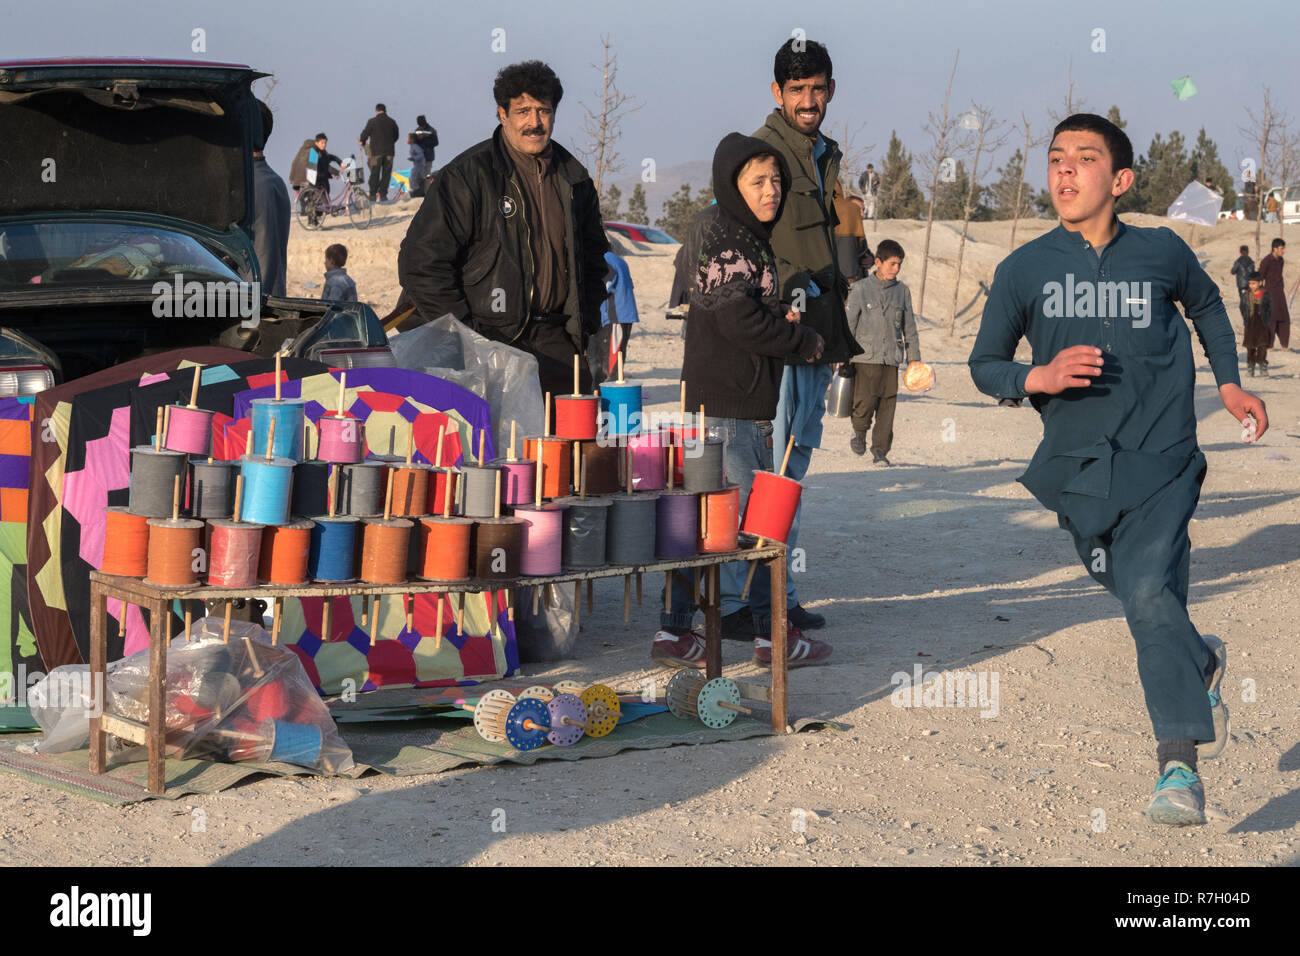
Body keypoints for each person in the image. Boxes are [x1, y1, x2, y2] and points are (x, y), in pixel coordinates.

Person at [968, 112, 1269, 827]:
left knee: (1144, 591)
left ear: (1120, 179)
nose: (1065, 171)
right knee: (1133, 592)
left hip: (1163, 458)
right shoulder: (1025, 269)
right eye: (1055, 159)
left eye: (1084, 158)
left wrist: (1228, 384)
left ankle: (1177, 767)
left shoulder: (1162, 252)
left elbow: (1208, 307)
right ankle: (1198, 663)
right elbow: (984, 365)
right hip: (1077, 474)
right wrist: (1034, 378)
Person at [651, 132, 826, 670]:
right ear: (733, 185)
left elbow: (738, 311)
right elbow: (737, 319)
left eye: (776, 180)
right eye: (758, 181)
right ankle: (773, 638)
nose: (771, 190)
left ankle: (677, 633)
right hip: (731, 407)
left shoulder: (743, 236)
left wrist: (778, 318)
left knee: (705, 519)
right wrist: (802, 342)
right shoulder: (730, 239)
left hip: (729, 401)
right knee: (756, 524)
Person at [397, 60, 609, 398]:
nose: (534, 122)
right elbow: (420, 264)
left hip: (556, 345)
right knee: (494, 448)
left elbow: (595, 260)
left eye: (543, 110)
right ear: (502, 114)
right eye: (523, 110)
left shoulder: (575, 179)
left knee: (563, 445)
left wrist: (581, 329)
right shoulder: (468, 176)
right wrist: (467, 335)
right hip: (487, 342)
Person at [751, 37, 863, 643]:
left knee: (793, 466)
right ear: (777, 93)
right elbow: (745, 239)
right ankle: (764, 600)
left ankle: (779, 596)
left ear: (831, 90)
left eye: (817, 88)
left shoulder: (825, 155)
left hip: (820, 328)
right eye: (797, 90)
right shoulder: (764, 154)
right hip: (782, 333)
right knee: (773, 468)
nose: (808, 100)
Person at [844, 238, 920, 464]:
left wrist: (914, 359)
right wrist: (844, 356)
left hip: (891, 359)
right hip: (865, 357)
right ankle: (859, 432)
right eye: (892, 264)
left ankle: (880, 451)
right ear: (878, 262)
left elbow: (910, 327)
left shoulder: (902, 292)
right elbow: (849, 325)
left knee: (888, 406)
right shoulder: (860, 289)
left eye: (899, 265)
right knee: (864, 402)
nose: (896, 269)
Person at [250, 100, 289, 298]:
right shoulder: (275, 182)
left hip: (252, 306)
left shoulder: (250, 185)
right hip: (271, 300)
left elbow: (261, 255)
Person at [589, 250, 637, 386]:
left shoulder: (605, 261)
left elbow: (605, 286)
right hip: (623, 313)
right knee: (616, 353)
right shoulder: (617, 259)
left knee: (610, 358)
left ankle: (608, 390)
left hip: (615, 315)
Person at [359, 104, 400, 203]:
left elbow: (365, 133)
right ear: (385, 110)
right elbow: (396, 136)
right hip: (389, 152)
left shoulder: (372, 121)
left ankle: (373, 195)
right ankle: (383, 195)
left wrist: (362, 141)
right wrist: (390, 143)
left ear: (376, 111)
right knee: (386, 173)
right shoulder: (392, 122)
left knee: (375, 173)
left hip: (376, 152)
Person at [832, 187, 869, 284]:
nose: (861, 214)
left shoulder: (857, 230)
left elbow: (864, 251)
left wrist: (870, 258)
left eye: (863, 210)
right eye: (856, 209)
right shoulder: (838, 229)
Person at [1258, 238, 1289, 349]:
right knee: (1271, 319)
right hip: (1269, 293)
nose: (1283, 251)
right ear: (1275, 249)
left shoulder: (1281, 260)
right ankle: (1269, 345)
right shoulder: (1266, 261)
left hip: (1280, 292)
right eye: (1281, 248)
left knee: (1285, 318)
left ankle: (1284, 345)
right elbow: (1259, 277)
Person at [1241, 271, 1271, 376]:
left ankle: (1262, 365)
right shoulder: (1246, 295)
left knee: (1262, 346)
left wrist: (1267, 320)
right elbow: (1242, 308)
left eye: (1254, 283)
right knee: (1250, 347)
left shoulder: (1266, 294)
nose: (1251, 286)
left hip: (1262, 324)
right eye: (1250, 283)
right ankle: (1251, 367)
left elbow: (1270, 308)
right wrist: (1245, 319)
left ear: (1260, 283)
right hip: (1250, 324)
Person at [406, 133, 427, 198]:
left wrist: (414, 158)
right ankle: (418, 193)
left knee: (414, 179)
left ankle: (417, 193)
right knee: (415, 179)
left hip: (420, 166)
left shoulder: (415, 146)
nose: (406, 139)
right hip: (418, 165)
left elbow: (421, 155)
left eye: (407, 138)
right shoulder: (413, 146)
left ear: (411, 139)